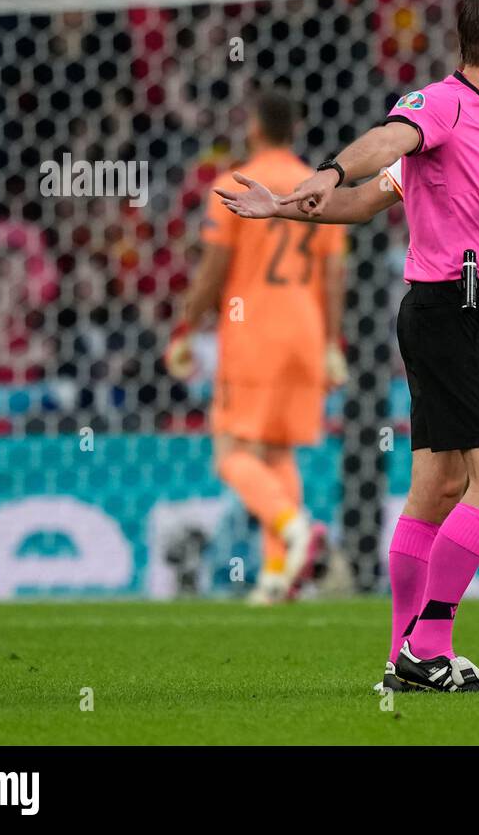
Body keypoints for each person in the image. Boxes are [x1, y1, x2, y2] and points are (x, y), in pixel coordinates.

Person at [217, 0, 479, 692]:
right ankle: (427, 646)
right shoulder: (446, 105)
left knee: (438, 485)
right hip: (458, 309)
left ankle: (404, 658)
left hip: (450, 310)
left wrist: (285, 208)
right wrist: (325, 172)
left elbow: (367, 205)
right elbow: (385, 142)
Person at [166, 91, 347, 605]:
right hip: (306, 332)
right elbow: (335, 274)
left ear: (253, 127)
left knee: (230, 453)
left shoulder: (233, 185)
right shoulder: (318, 185)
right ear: (296, 128)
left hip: (254, 333)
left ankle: (294, 531)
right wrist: (333, 342)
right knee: (276, 452)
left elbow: (213, 270)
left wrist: (184, 327)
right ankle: (276, 577)